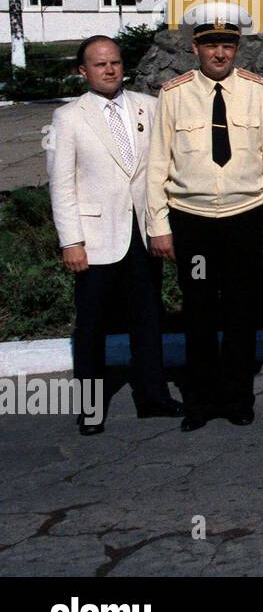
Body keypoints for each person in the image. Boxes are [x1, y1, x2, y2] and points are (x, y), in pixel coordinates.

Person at [147, 3, 263, 432]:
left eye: (227, 44)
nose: (220, 54)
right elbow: (157, 165)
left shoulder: (257, 90)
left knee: (242, 313)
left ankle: (238, 400)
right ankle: (202, 402)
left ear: (238, 47)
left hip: (244, 220)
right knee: (200, 312)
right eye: (211, 45)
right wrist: (159, 226)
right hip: (194, 223)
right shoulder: (174, 94)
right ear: (196, 48)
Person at [47, 35, 181, 435]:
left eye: (115, 63)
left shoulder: (149, 107)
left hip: (143, 234)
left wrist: (163, 227)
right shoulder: (68, 117)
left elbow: (160, 171)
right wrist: (72, 241)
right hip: (95, 239)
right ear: (82, 71)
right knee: (91, 328)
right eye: (100, 64)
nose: (109, 70)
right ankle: (90, 409)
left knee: (148, 321)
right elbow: (62, 185)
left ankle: (153, 399)